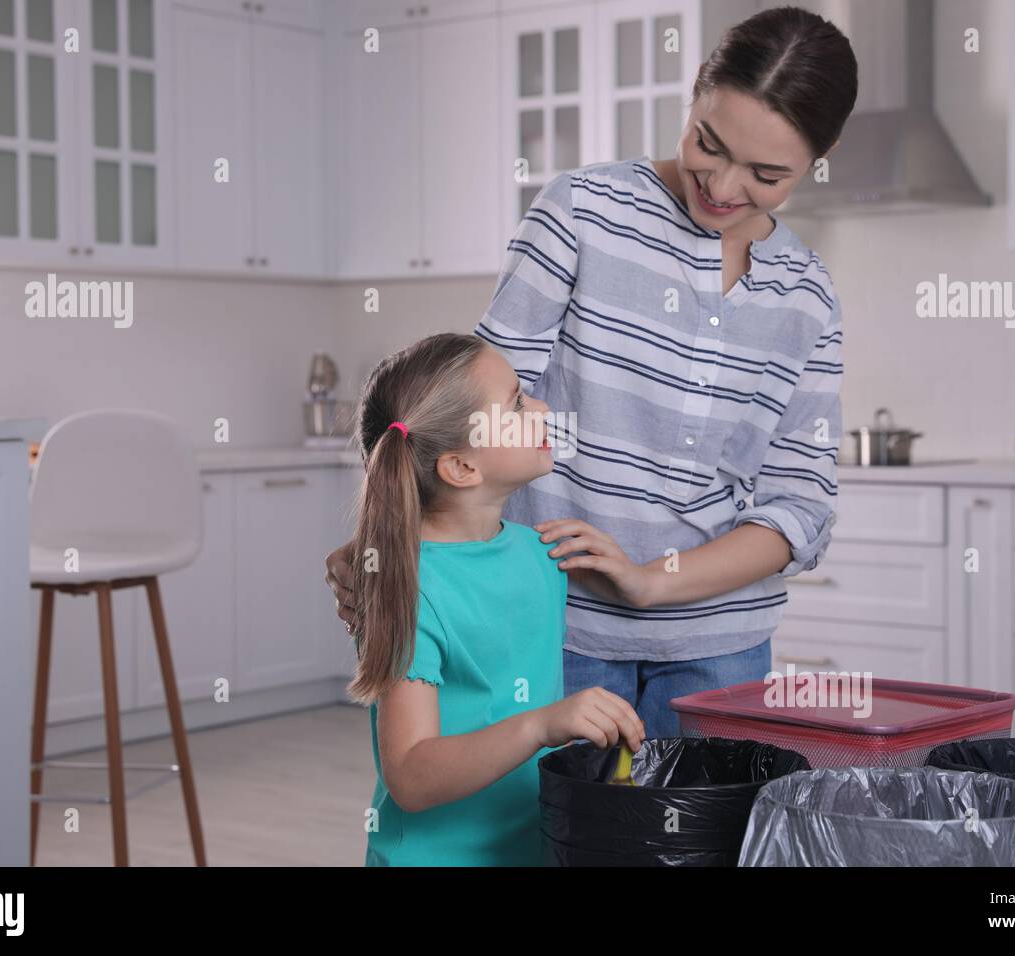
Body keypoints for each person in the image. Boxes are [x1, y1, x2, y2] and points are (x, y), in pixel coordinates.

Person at [329, 7, 857, 739]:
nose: (725, 185)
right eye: (709, 142)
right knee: (560, 843)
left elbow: (799, 504)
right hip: (552, 621)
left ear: (817, 159)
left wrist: (651, 582)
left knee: (700, 848)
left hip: (720, 651)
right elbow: (471, 410)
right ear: (695, 94)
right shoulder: (583, 212)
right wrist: (394, 541)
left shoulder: (808, 296)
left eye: (768, 175)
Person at [347, 332, 644, 866]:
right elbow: (411, 775)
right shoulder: (413, 588)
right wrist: (540, 726)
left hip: (531, 849)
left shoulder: (542, 555)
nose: (546, 408)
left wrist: (632, 575)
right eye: (517, 404)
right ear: (462, 468)